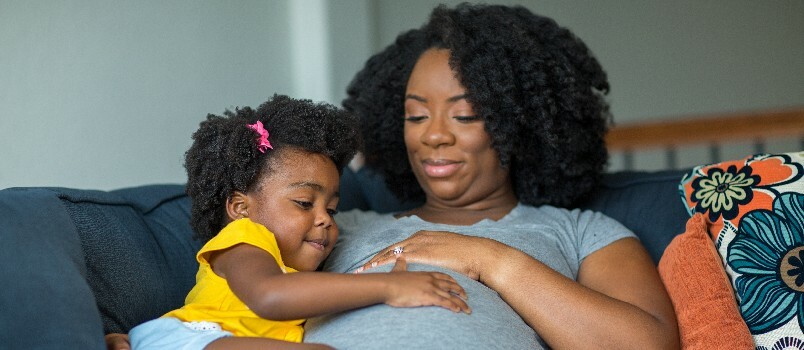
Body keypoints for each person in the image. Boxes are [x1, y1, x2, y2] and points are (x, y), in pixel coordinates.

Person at [301, 4, 679, 350]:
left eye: (464, 115)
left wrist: (490, 260)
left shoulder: (583, 233)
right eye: (416, 117)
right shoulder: (331, 225)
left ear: (518, 123)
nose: (433, 135)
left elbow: (646, 345)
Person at [121, 95, 470, 350]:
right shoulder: (244, 240)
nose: (324, 220)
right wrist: (388, 287)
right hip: (193, 338)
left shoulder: (299, 273)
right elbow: (270, 297)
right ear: (241, 208)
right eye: (304, 202)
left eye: (332, 210)